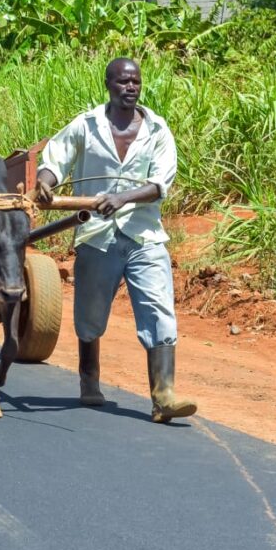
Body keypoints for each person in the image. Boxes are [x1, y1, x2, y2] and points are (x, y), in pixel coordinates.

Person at [34, 57, 197, 423]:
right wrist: (46, 180)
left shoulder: (157, 129)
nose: (131, 87)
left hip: (144, 236)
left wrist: (122, 198)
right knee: (90, 317)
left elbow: (160, 184)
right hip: (97, 235)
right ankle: (89, 379)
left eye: (136, 81)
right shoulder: (86, 125)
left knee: (159, 312)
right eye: (123, 81)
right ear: (108, 84)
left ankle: (164, 395)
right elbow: (56, 158)